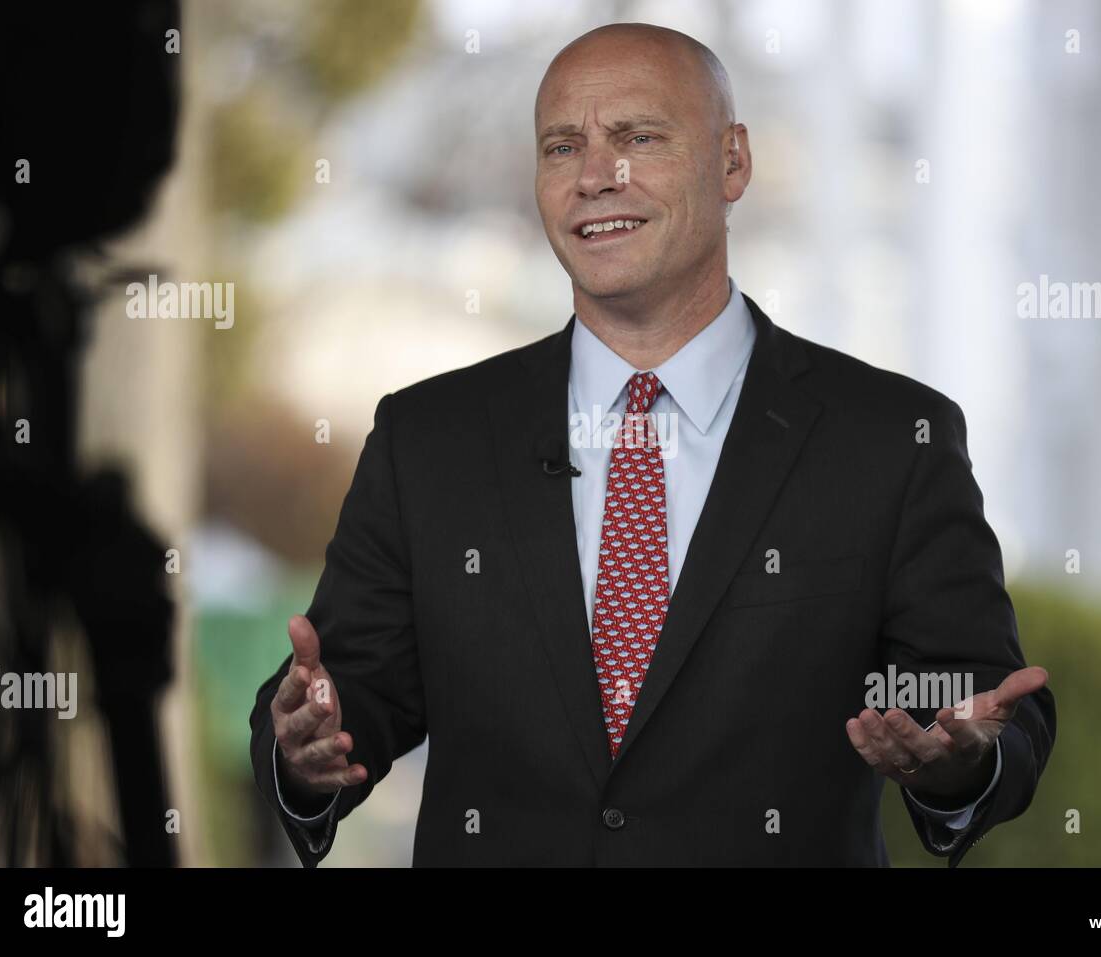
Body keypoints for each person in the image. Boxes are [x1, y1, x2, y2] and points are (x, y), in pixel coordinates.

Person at [249, 22, 1056, 867]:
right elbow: (342, 698)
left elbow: (981, 705)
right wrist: (304, 748)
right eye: (563, 147)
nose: (597, 176)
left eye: (638, 138)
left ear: (733, 162)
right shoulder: (429, 440)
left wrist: (963, 761)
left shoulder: (893, 440)